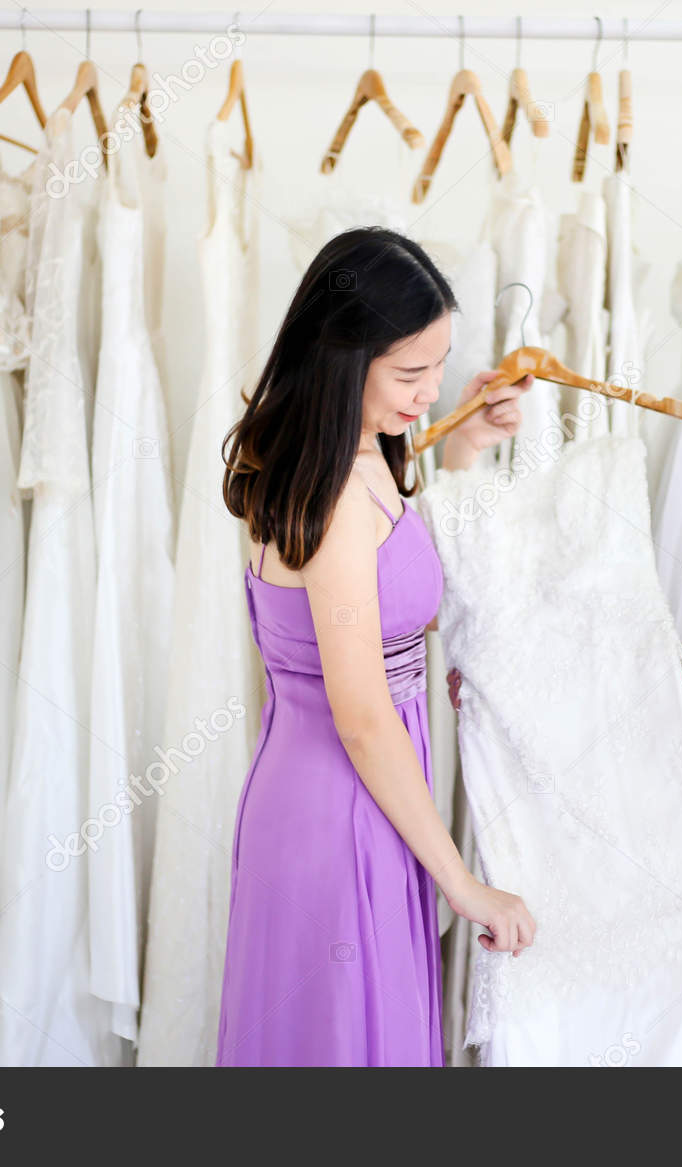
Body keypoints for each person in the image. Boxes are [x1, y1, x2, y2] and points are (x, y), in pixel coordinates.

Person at [216, 227, 535, 1066]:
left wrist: (465, 442)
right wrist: (461, 883)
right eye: (408, 373)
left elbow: (395, 568)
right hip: (339, 800)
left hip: (360, 794)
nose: (428, 393)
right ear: (340, 357)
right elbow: (361, 715)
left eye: (438, 367)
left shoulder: (356, 460)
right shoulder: (333, 498)